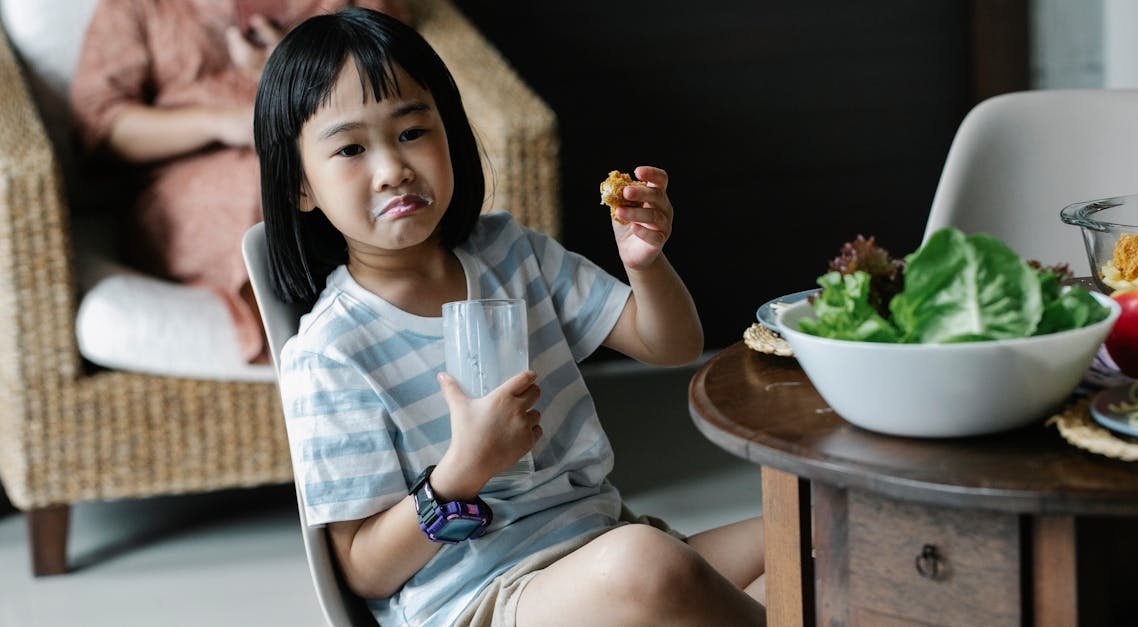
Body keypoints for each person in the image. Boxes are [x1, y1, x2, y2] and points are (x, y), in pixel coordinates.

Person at [257, 8, 765, 627]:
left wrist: (645, 263)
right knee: (649, 565)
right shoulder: (332, 350)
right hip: (484, 601)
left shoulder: (510, 253)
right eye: (351, 148)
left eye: (412, 132)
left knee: (813, 524)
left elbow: (673, 344)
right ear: (301, 187)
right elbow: (362, 568)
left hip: (603, 549)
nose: (392, 168)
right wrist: (463, 470)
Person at [70, 0, 407, 363]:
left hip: (326, 151)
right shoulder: (139, 6)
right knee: (257, 196)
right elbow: (100, 126)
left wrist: (293, 71)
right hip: (193, 175)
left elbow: (396, 83)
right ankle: (311, 359)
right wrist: (219, 123)